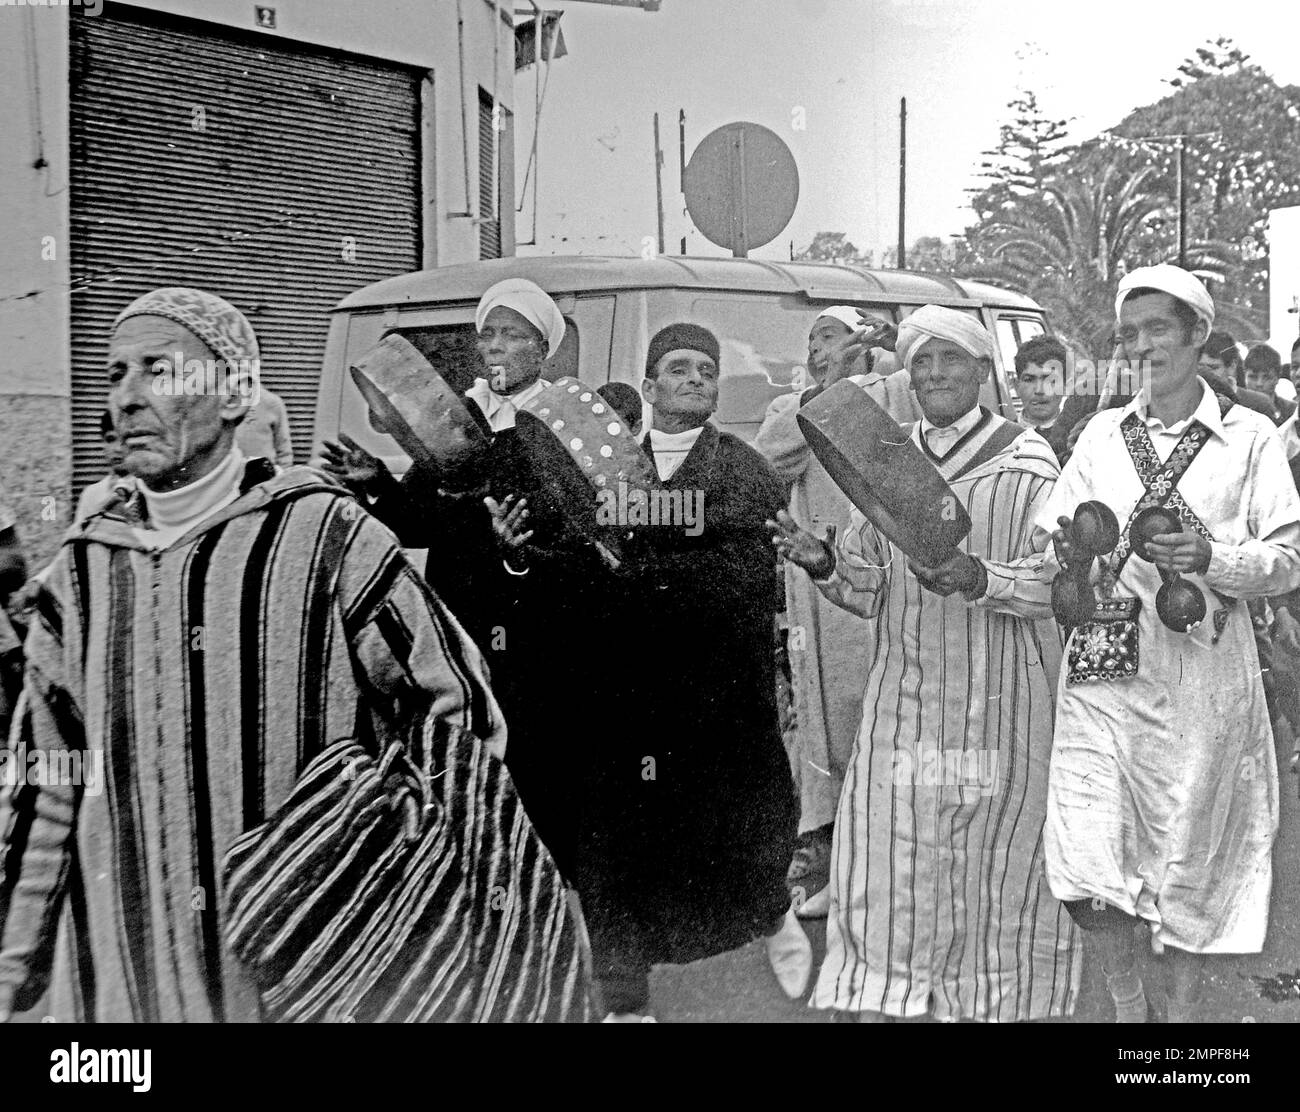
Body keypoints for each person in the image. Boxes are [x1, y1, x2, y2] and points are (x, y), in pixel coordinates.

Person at [0, 287, 582, 1023]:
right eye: (116, 375)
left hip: (305, 980)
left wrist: (374, 860)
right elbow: (43, 789)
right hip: (128, 984)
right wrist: (13, 963)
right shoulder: (81, 578)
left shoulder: (326, 539)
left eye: (160, 370)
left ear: (238, 396)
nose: (129, 397)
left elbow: (461, 707)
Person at [771, 304, 1081, 1022]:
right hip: (904, 703)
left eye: (951, 359)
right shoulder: (886, 454)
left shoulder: (1029, 462)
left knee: (993, 862)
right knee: (890, 857)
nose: (935, 372)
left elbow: (1057, 587)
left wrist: (980, 579)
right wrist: (821, 561)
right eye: (922, 361)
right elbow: (869, 588)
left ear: (981, 369)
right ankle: (893, 1000)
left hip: (999, 700)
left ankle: (990, 1004)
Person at [1036, 264, 1300, 1023]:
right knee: (1088, 858)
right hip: (1105, 675)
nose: (1143, 346)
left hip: (1203, 681)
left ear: (1197, 335)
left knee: (1193, 862)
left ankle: (1175, 1034)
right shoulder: (1100, 434)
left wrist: (1212, 559)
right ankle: (1128, 1010)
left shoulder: (1249, 438)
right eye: (1129, 334)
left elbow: (1287, 560)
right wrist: (1071, 555)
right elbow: (1059, 528)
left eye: (1159, 328)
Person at [319, 279, 608, 879]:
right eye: (489, 333)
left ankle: (547, 891)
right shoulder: (457, 416)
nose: (497, 346)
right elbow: (419, 524)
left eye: (514, 334)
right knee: (471, 748)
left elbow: (582, 531)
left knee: (538, 756)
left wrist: (518, 552)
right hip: (464, 614)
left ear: (543, 348)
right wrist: (377, 483)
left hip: (542, 625)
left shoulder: (562, 420)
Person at [574, 323, 805, 1022]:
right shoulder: (607, 470)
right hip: (631, 692)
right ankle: (625, 998)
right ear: (648, 388)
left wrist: (645, 572)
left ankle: (774, 916)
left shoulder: (745, 468)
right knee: (620, 844)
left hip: (718, 690)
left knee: (746, 817)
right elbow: (588, 567)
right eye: (679, 369)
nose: (695, 379)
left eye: (706, 370)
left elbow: (750, 576)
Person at [754, 306, 917, 918]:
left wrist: (865, 375)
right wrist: (835, 386)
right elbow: (774, 451)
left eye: (832, 336)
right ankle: (836, 861)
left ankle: (881, 871)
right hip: (812, 579)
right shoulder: (792, 405)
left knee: (870, 712)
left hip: (872, 580)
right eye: (813, 340)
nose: (820, 349)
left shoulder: (893, 388)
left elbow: (903, 424)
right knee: (820, 720)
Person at [1013, 334, 1072, 463]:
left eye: (1050, 380)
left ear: (1065, 386)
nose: (1039, 390)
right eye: (1029, 380)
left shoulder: (1076, 437)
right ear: (1017, 386)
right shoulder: (1001, 436)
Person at [73, 411, 135, 526]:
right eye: (110, 439)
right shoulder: (91, 494)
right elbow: (79, 539)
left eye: (125, 439)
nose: (118, 449)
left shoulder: (151, 491)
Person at [234, 385, 295, 468]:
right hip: (228, 476)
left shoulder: (272, 402)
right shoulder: (218, 401)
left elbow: (284, 450)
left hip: (264, 476)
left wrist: (281, 478)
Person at [1243, 342, 1294, 425]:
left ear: (1277, 378)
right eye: (1253, 377)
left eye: (1266, 377)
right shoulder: (1233, 408)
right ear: (1245, 376)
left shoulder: (1292, 411)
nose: (1259, 384)